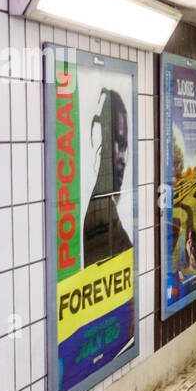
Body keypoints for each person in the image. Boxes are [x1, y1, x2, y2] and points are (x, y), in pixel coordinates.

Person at [82, 88, 131, 267]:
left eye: (124, 146)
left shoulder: (109, 211)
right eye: (116, 142)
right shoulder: (90, 216)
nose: (121, 159)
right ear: (97, 140)